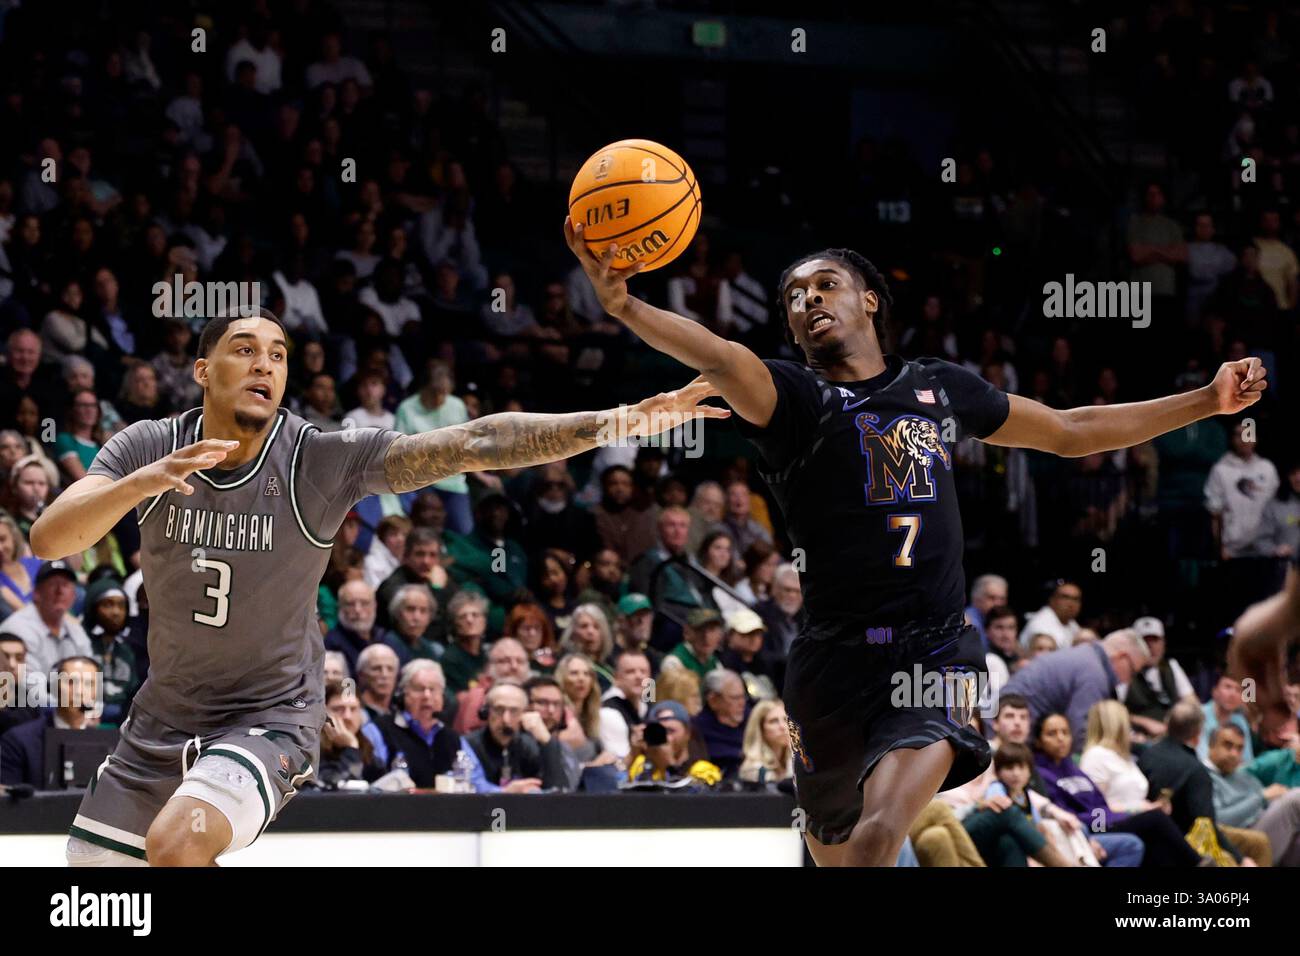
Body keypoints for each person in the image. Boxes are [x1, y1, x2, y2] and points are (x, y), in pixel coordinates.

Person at [565, 221, 1273, 864]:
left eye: (826, 285)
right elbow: (720, 354)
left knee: (880, 834)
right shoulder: (792, 401)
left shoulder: (936, 388)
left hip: (934, 651)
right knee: (837, 856)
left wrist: (1205, 401)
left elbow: (1069, 431)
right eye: (794, 296)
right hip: (830, 667)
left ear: (870, 300)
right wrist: (625, 305)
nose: (808, 300)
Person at [33, 309, 724, 865]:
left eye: (277, 354)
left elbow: (477, 443)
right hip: (161, 719)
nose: (265, 365)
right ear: (202, 370)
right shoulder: (149, 445)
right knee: (100, 897)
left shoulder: (318, 458)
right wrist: (137, 486)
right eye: (245, 349)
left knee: (179, 846)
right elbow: (49, 540)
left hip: (268, 714)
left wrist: (620, 421)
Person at [1034, 712, 1203, 867]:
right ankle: (1199, 863)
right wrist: (1119, 816)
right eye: (1052, 734)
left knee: (1155, 838)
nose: (1060, 738)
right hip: (1086, 827)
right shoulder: (1042, 774)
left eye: (1065, 732)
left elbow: (1101, 803)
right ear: (1039, 741)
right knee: (1155, 819)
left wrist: (1116, 815)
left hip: (1104, 820)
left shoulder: (1073, 768)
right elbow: (1067, 816)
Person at [1137, 701, 1251, 864]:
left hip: (1146, 838)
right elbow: (1206, 826)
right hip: (1182, 849)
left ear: (1167, 724)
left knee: (1256, 841)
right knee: (1242, 853)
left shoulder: (1147, 755)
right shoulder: (1196, 771)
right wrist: (1241, 860)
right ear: (1198, 735)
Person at [1002, 629, 1151, 753]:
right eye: (1133, 672)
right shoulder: (1094, 673)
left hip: (1006, 718)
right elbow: (1080, 733)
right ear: (1121, 657)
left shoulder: (1087, 655)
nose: (1128, 681)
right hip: (1012, 733)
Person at [0, 656, 100, 788]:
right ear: (53, 687)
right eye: (70, 682)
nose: (79, 691)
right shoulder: (19, 740)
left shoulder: (106, 743)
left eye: (89, 684)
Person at [1208, 723, 1300, 866]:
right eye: (1228, 745)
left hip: (1267, 829)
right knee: (1295, 799)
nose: (1234, 754)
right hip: (1242, 840)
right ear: (1211, 745)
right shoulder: (1203, 776)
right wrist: (1261, 797)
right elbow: (1217, 821)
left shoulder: (1243, 775)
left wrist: (1277, 796)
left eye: (1239, 749)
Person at [0, 560, 92, 700]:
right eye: (53, 584)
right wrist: (75, 708)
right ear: (36, 593)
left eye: (65, 585)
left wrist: (89, 707)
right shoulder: (17, 630)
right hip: (23, 710)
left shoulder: (76, 631)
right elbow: (32, 694)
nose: (60, 591)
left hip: (70, 709)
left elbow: (92, 678)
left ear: (74, 596)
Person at [364, 660, 458, 786]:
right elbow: (371, 783)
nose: (427, 696)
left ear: (443, 697)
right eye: (419, 689)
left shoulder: (451, 736)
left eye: (433, 689)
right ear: (402, 694)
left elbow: (474, 781)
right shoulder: (377, 730)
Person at [461, 683, 567, 793]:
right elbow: (468, 787)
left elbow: (558, 790)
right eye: (499, 710)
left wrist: (547, 742)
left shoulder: (530, 746)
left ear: (524, 714)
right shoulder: (468, 745)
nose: (506, 719)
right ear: (485, 712)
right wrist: (506, 792)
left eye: (514, 711)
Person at [1124, 616, 1197, 738]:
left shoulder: (1171, 666)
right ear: (1135, 644)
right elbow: (1113, 712)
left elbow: (1192, 702)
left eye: (1155, 640)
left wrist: (1177, 717)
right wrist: (1143, 722)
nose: (1150, 646)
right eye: (1145, 640)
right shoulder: (1125, 671)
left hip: (1172, 734)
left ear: (1163, 643)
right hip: (1138, 737)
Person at [624, 699, 721, 789]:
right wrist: (634, 753)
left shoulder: (704, 770)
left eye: (671, 731)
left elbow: (689, 802)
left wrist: (670, 766)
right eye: (660, 731)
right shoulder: (641, 766)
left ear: (688, 733)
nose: (666, 737)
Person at [693, 669, 749, 778]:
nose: (742, 703)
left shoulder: (753, 719)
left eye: (743, 697)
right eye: (735, 698)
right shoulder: (697, 728)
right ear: (713, 701)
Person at [598, 649, 650, 759]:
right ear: (617, 678)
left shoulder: (645, 706)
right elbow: (619, 764)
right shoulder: (608, 712)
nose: (638, 676)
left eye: (643, 671)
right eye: (630, 672)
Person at [738, 698, 794, 786]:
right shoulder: (754, 769)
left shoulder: (795, 762)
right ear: (760, 729)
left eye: (785, 719)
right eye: (774, 721)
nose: (783, 727)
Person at [1019, 580, 1083, 651]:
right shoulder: (1041, 623)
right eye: (1065, 597)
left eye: (1076, 599)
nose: (1071, 604)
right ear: (1052, 599)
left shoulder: (1071, 623)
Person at [662, 607, 724, 680]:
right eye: (700, 630)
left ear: (720, 635)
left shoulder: (715, 664)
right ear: (687, 633)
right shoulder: (674, 662)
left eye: (712, 630)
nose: (706, 637)